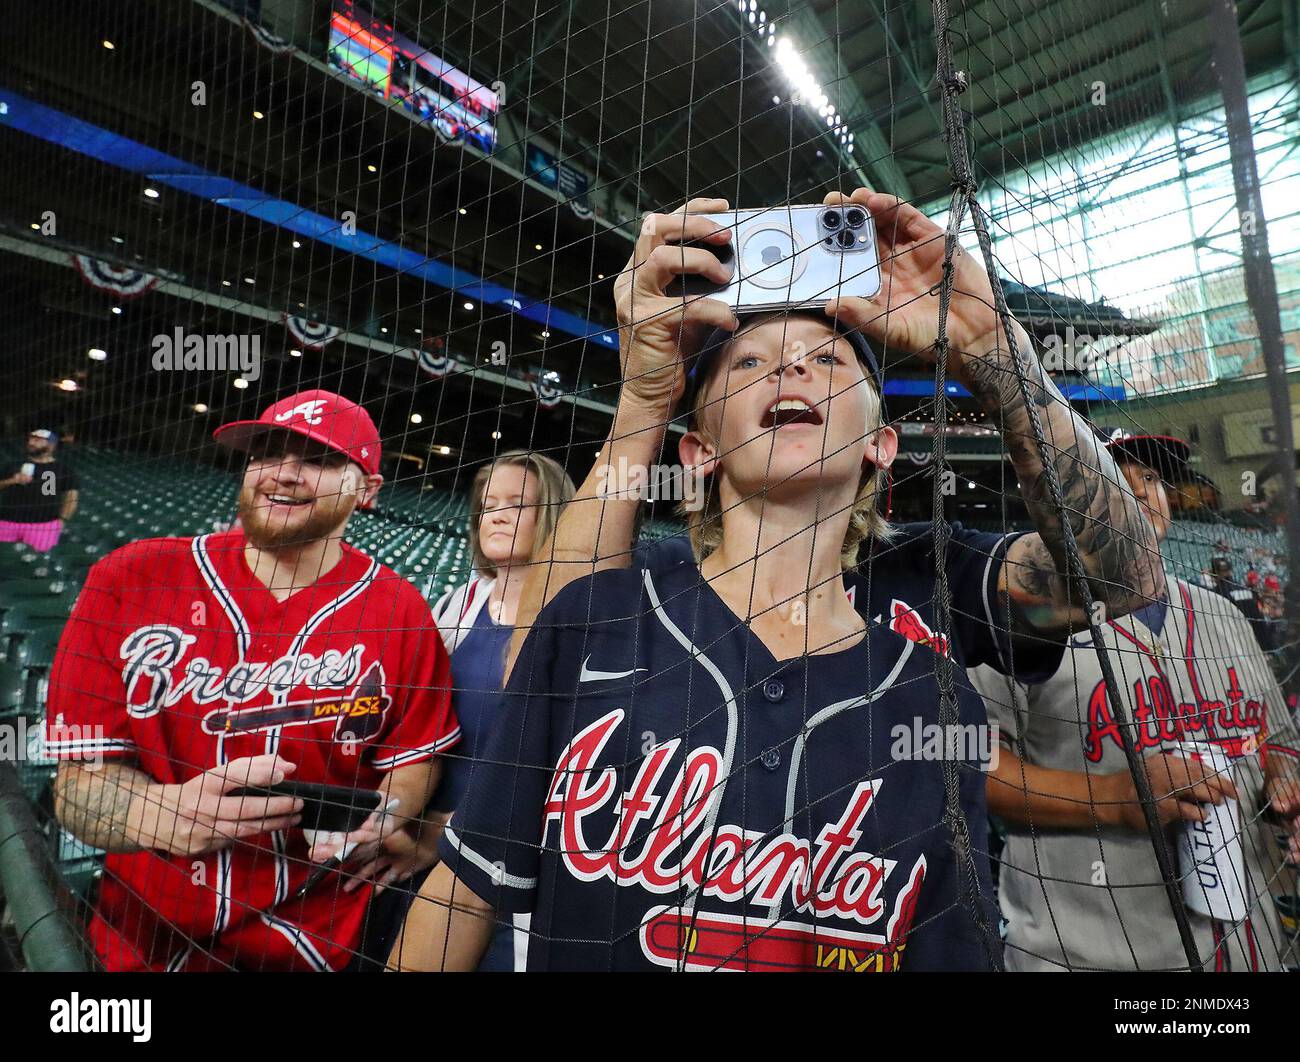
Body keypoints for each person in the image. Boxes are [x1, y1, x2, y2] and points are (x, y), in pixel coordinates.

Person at [388, 188, 1164, 972]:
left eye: (827, 360)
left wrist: (990, 345)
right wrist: (646, 396)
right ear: (699, 454)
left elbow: (1121, 577)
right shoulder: (621, 602)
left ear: (882, 446)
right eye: (750, 361)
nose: (792, 367)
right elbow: (536, 669)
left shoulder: (936, 652)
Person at [47, 389, 460, 971]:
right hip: (139, 931)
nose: (284, 475)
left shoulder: (401, 611)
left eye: (318, 460)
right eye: (267, 452)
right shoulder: (133, 577)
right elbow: (75, 788)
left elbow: (413, 759)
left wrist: (385, 820)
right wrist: (156, 812)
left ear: (367, 491)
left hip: (314, 937)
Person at [969, 430, 1300, 971]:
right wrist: (1116, 797)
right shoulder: (1019, 616)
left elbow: (1280, 745)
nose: (1141, 494)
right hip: (1086, 953)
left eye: (1150, 478)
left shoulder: (1226, 617)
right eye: (1110, 479)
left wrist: (1285, 786)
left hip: (1251, 948)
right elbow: (971, 766)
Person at [355, 450, 575, 971]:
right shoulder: (458, 605)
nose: (494, 516)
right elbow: (414, 731)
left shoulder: (581, 617)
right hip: (416, 852)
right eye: (487, 504)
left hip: (519, 865)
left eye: (517, 504)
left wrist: (448, 834)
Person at [0, 428, 78, 552]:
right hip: (6, 523)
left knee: (39, 563)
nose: (31, 443)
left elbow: (71, 498)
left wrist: (62, 521)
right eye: (30, 439)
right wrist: (12, 480)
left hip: (43, 526)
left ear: (51, 445)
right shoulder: (13, 464)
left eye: (37, 440)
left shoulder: (64, 469)